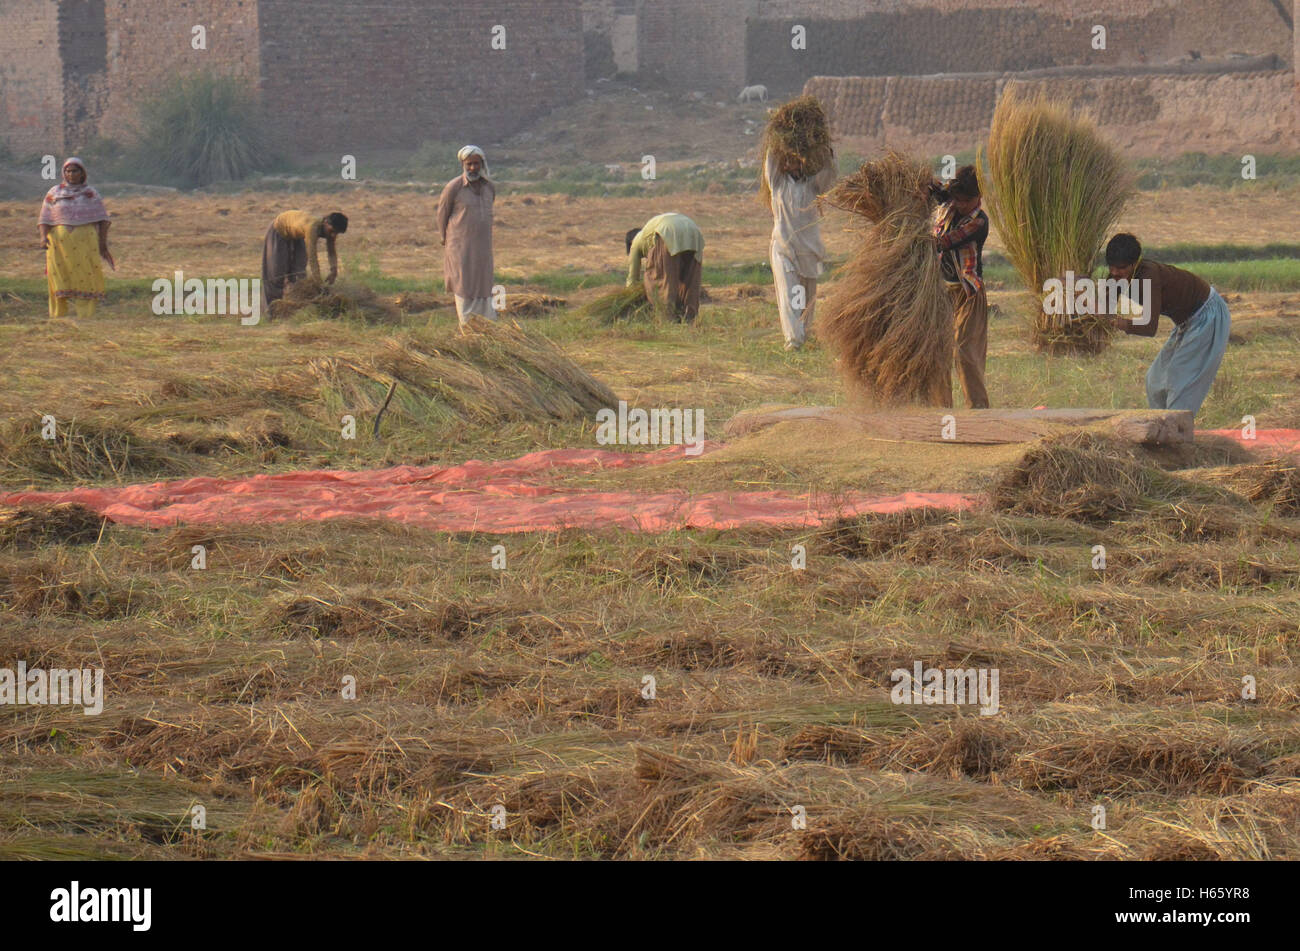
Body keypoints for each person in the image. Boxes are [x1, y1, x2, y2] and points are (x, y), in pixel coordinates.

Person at [1102, 233, 1230, 415]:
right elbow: (1105, 306)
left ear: (1134, 263)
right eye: (1111, 267)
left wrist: (1118, 322)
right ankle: (1162, 429)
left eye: (1120, 268)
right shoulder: (1116, 276)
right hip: (1186, 323)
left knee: (1179, 380)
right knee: (1155, 381)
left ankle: (1177, 434)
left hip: (1206, 315)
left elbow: (1149, 327)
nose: (1114, 272)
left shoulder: (1149, 276)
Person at [765, 146, 836, 350]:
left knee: (805, 296)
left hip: (808, 249)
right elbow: (770, 162)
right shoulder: (778, 184)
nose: (790, 162)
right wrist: (776, 140)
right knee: (789, 292)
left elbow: (829, 173)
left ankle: (802, 334)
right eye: (787, 159)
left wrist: (829, 154)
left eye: (795, 158)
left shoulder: (813, 185)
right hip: (784, 246)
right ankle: (793, 340)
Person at [932, 165, 991, 409]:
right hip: (940, 291)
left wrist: (915, 240)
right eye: (957, 199)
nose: (960, 205)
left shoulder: (978, 222)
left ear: (979, 197)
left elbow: (946, 242)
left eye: (966, 201)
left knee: (965, 351)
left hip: (968, 293)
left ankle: (978, 411)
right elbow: (937, 191)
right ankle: (940, 408)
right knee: (937, 349)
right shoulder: (952, 202)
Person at [38, 157, 113, 319]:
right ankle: (58, 316)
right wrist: (43, 237)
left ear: (82, 173)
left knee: (85, 275)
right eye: (68, 171)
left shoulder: (90, 193)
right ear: (63, 173)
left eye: (75, 171)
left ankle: (85, 316)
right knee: (58, 276)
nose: (71, 174)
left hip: (85, 243)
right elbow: (44, 218)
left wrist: (103, 244)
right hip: (59, 244)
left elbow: (103, 220)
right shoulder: (54, 193)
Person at [438, 145, 497, 328]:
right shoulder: (453, 187)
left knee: (483, 283)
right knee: (464, 284)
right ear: (463, 164)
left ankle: (487, 325)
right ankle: (468, 328)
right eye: (469, 164)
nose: (473, 168)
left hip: (482, 247)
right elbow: (442, 214)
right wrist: (444, 239)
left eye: (476, 164)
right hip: (460, 247)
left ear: (482, 164)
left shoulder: (489, 187)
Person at [625, 212, 704, 322]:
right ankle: (690, 320)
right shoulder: (648, 232)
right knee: (690, 280)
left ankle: (667, 320)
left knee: (658, 280)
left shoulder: (636, 241)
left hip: (667, 232)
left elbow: (633, 277)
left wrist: (629, 299)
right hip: (694, 231)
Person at [262, 210, 348, 310]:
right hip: (279, 229)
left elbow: (331, 251)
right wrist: (320, 285)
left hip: (298, 235)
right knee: (276, 274)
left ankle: (293, 307)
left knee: (299, 274)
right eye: (332, 231)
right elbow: (312, 258)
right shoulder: (312, 227)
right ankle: (271, 310)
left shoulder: (330, 231)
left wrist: (334, 271)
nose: (333, 235)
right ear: (326, 223)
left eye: (337, 233)